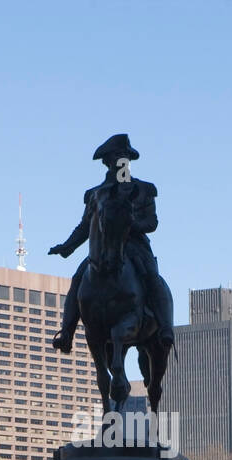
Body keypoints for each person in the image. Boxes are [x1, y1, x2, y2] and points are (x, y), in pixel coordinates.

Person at [49, 133, 175, 352]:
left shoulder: (142, 190)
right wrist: (67, 247)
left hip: (134, 246)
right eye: (117, 156)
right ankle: (66, 332)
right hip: (104, 247)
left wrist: (128, 224)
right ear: (107, 161)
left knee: (152, 277)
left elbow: (152, 222)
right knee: (78, 279)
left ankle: (165, 327)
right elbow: (84, 227)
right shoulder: (96, 195)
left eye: (124, 156)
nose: (121, 160)